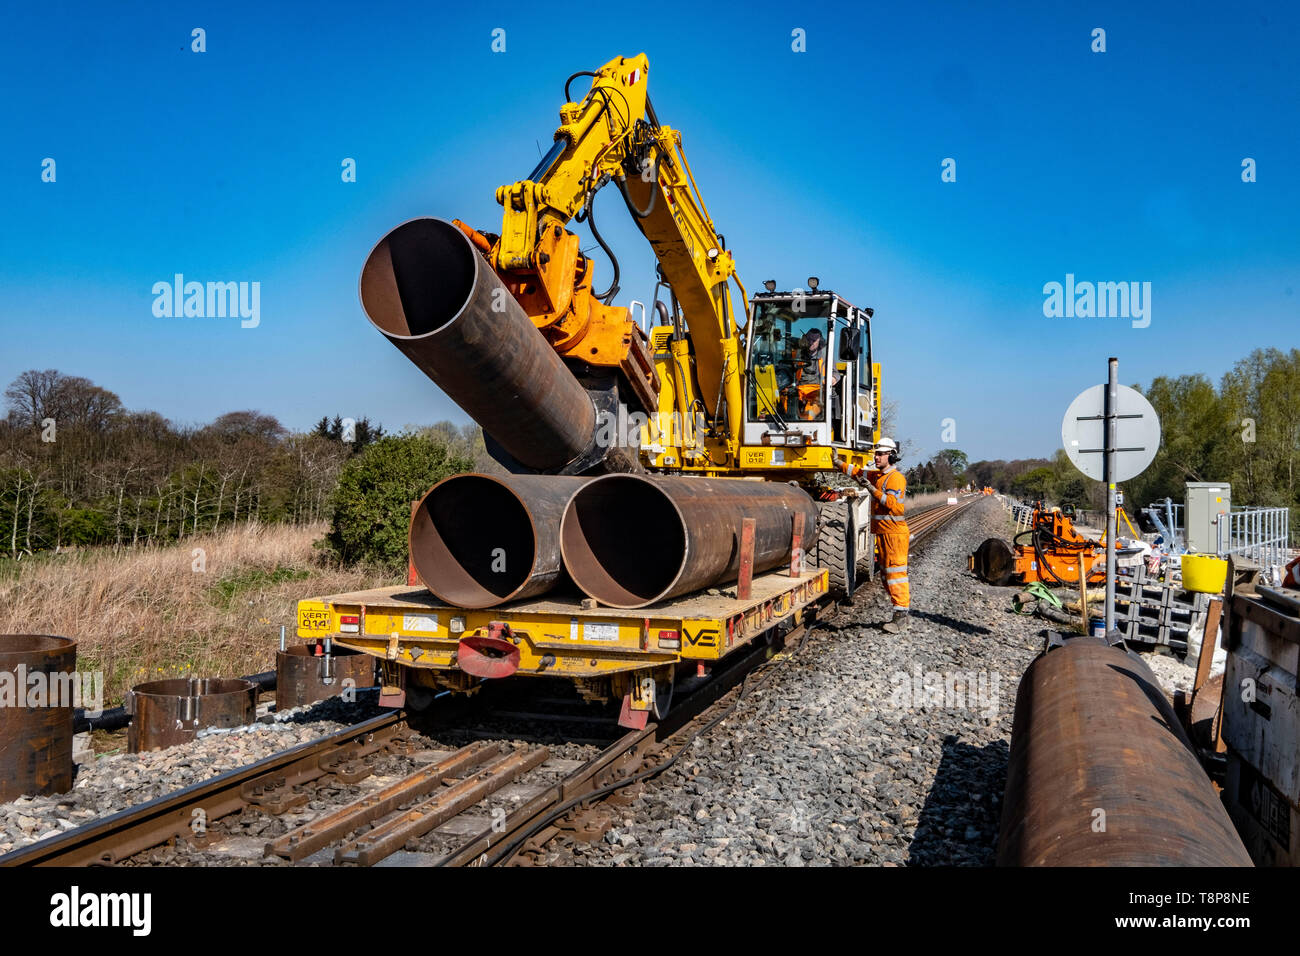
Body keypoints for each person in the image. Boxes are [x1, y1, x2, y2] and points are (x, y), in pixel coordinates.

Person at [835, 438, 910, 632]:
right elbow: (858, 473)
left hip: (894, 534)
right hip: (884, 532)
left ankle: (901, 616)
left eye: (880, 454)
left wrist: (872, 489)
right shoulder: (878, 475)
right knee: (887, 575)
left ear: (891, 456)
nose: (875, 457)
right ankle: (898, 612)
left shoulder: (895, 478)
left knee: (896, 575)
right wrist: (838, 463)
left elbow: (893, 504)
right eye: (876, 453)